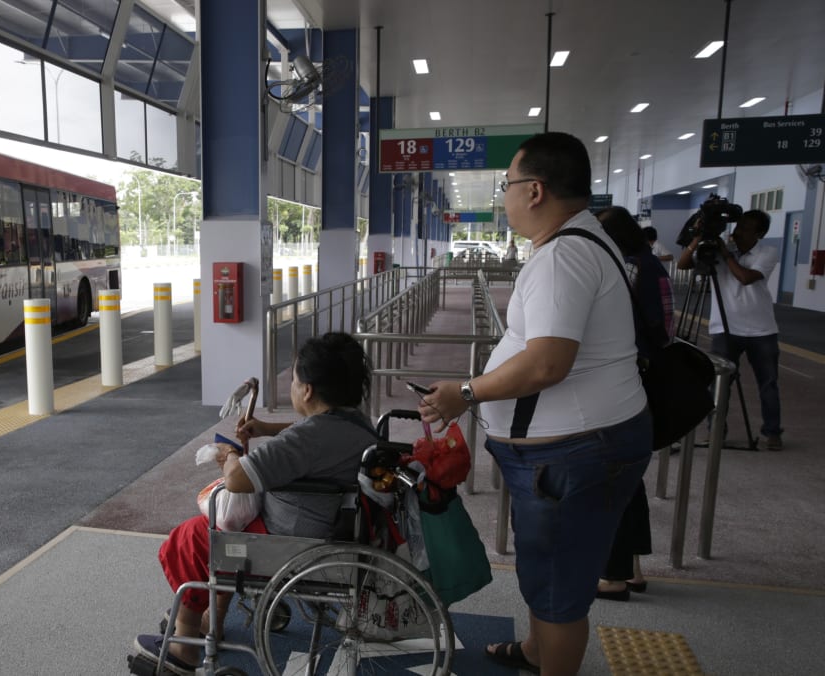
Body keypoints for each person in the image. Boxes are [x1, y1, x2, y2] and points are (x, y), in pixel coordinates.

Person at [416, 132, 652, 676]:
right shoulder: (581, 241)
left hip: (572, 454)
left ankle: (551, 659)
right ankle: (535, 651)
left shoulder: (562, 256)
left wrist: (465, 393)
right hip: (578, 448)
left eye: (508, 185)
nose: (505, 196)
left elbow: (547, 363)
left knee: (558, 588)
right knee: (545, 569)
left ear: (536, 190)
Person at [134, 332, 376, 673]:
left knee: (195, 537)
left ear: (307, 390)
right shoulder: (356, 423)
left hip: (290, 538)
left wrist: (227, 454)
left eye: (294, 380)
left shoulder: (307, 439)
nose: (293, 386)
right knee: (228, 533)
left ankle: (184, 644)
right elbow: (315, 435)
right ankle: (212, 619)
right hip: (330, 528)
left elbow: (237, 478)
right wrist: (266, 428)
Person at [594, 206, 674, 601]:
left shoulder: (625, 268)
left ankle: (614, 574)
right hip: (642, 375)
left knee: (611, 474)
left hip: (622, 379)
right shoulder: (651, 265)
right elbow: (664, 328)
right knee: (629, 474)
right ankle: (633, 569)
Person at [676, 210, 783, 450]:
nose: (737, 232)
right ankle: (716, 431)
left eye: (745, 228)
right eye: (738, 226)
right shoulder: (716, 251)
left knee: (768, 383)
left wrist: (726, 254)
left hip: (761, 330)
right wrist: (698, 238)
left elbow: (746, 277)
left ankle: (773, 432)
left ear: (760, 233)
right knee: (719, 385)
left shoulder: (767, 252)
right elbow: (683, 264)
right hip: (724, 329)